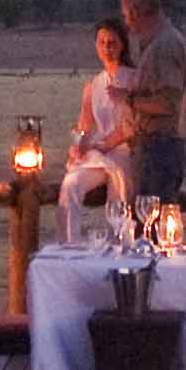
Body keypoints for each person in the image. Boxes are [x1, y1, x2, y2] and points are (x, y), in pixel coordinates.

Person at [115, 0, 186, 206]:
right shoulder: (168, 41)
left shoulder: (163, 47)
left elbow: (168, 103)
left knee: (148, 228)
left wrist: (129, 99)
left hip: (158, 149)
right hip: (162, 149)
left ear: (135, 12)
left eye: (125, 15)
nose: (125, 21)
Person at [58, 15, 137, 230]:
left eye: (112, 43)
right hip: (98, 153)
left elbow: (133, 124)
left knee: (117, 194)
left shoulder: (134, 79)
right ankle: (69, 246)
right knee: (71, 183)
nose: (106, 48)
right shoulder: (94, 85)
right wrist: (78, 144)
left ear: (122, 45)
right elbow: (84, 124)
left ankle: (119, 247)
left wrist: (105, 145)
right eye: (102, 43)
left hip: (125, 152)